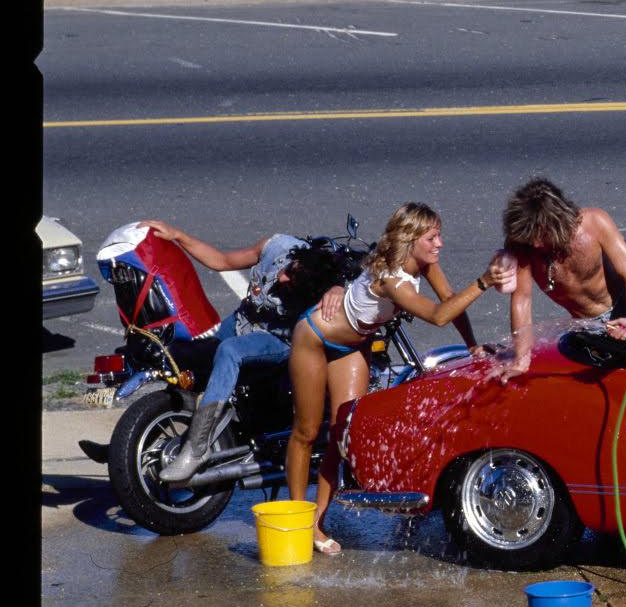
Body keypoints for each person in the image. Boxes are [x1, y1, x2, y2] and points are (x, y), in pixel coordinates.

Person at [288, 203, 504, 556]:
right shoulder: (391, 278)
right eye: (432, 237)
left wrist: (472, 345)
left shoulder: (425, 264)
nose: (440, 244)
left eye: (439, 235)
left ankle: (317, 524)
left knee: (342, 435)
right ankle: (296, 522)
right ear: (411, 239)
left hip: (353, 345)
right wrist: (484, 281)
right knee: (306, 432)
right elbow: (436, 316)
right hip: (314, 337)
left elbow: (450, 302)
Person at [137, 219, 377, 483]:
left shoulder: (322, 289)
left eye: (292, 282)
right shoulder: (277, 246)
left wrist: (338, 289)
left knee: (229, 352)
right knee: (186, 354)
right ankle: (138, 437)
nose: (282, 277)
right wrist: (178, 234)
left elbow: (352, 287)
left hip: (277, 341)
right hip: (242, 322)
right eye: (291, 269)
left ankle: (197, 447)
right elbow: (222, 261)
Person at [495, 176, 626, 374]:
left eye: (541, 235)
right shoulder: (524, 247)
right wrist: (521, 360)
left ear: (557, 222)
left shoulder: (595, 222)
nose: (536, 244)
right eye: (530, 238)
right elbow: (522, 300)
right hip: (590, 326)